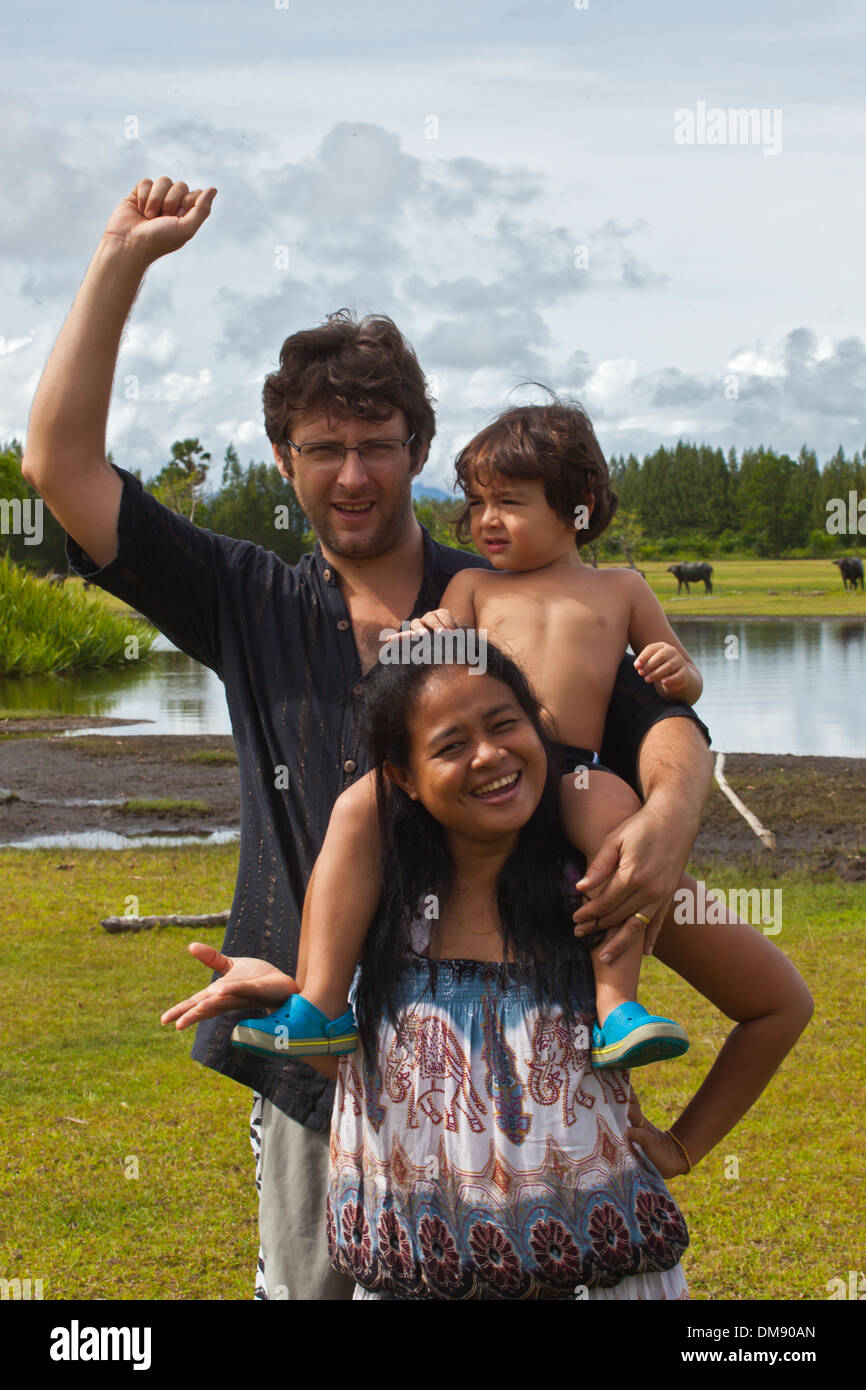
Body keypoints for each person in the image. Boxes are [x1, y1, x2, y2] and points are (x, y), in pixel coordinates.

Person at [22, 174, 714, 1300]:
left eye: (379, 444)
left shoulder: (509, 590)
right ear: (285, 461)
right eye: (321, 446)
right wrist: (119, 260)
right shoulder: (242, 599)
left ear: (418, 448)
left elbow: (659, 727)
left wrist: (675, 811)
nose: (352, 473)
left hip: (517, 1045)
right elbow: (59, 467)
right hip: (319, 1053)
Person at [162, 646, 813, 1300]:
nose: (490, 755)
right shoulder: (381, 896)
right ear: (404, 777)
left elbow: (778, 1005)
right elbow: (404, 1082)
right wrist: (285, 993)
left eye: (505, 724)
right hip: (411, 1272)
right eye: (451, 746)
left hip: (595, 1276)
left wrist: (684, 1145)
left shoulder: (609, 883)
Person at [249, 399, 703, 1071]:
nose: (486, 521)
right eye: (477, 503)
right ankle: (319, 1002)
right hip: (485, 764)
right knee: (355, 807)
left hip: (574, 769)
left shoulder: (623, 589)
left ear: (578, 502)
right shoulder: (473, 586)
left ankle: (616, 1009)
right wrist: (423, 635)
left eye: (509, 503)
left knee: (623, 830)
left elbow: (677, 694)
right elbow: (418, 669)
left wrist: (680, 671)